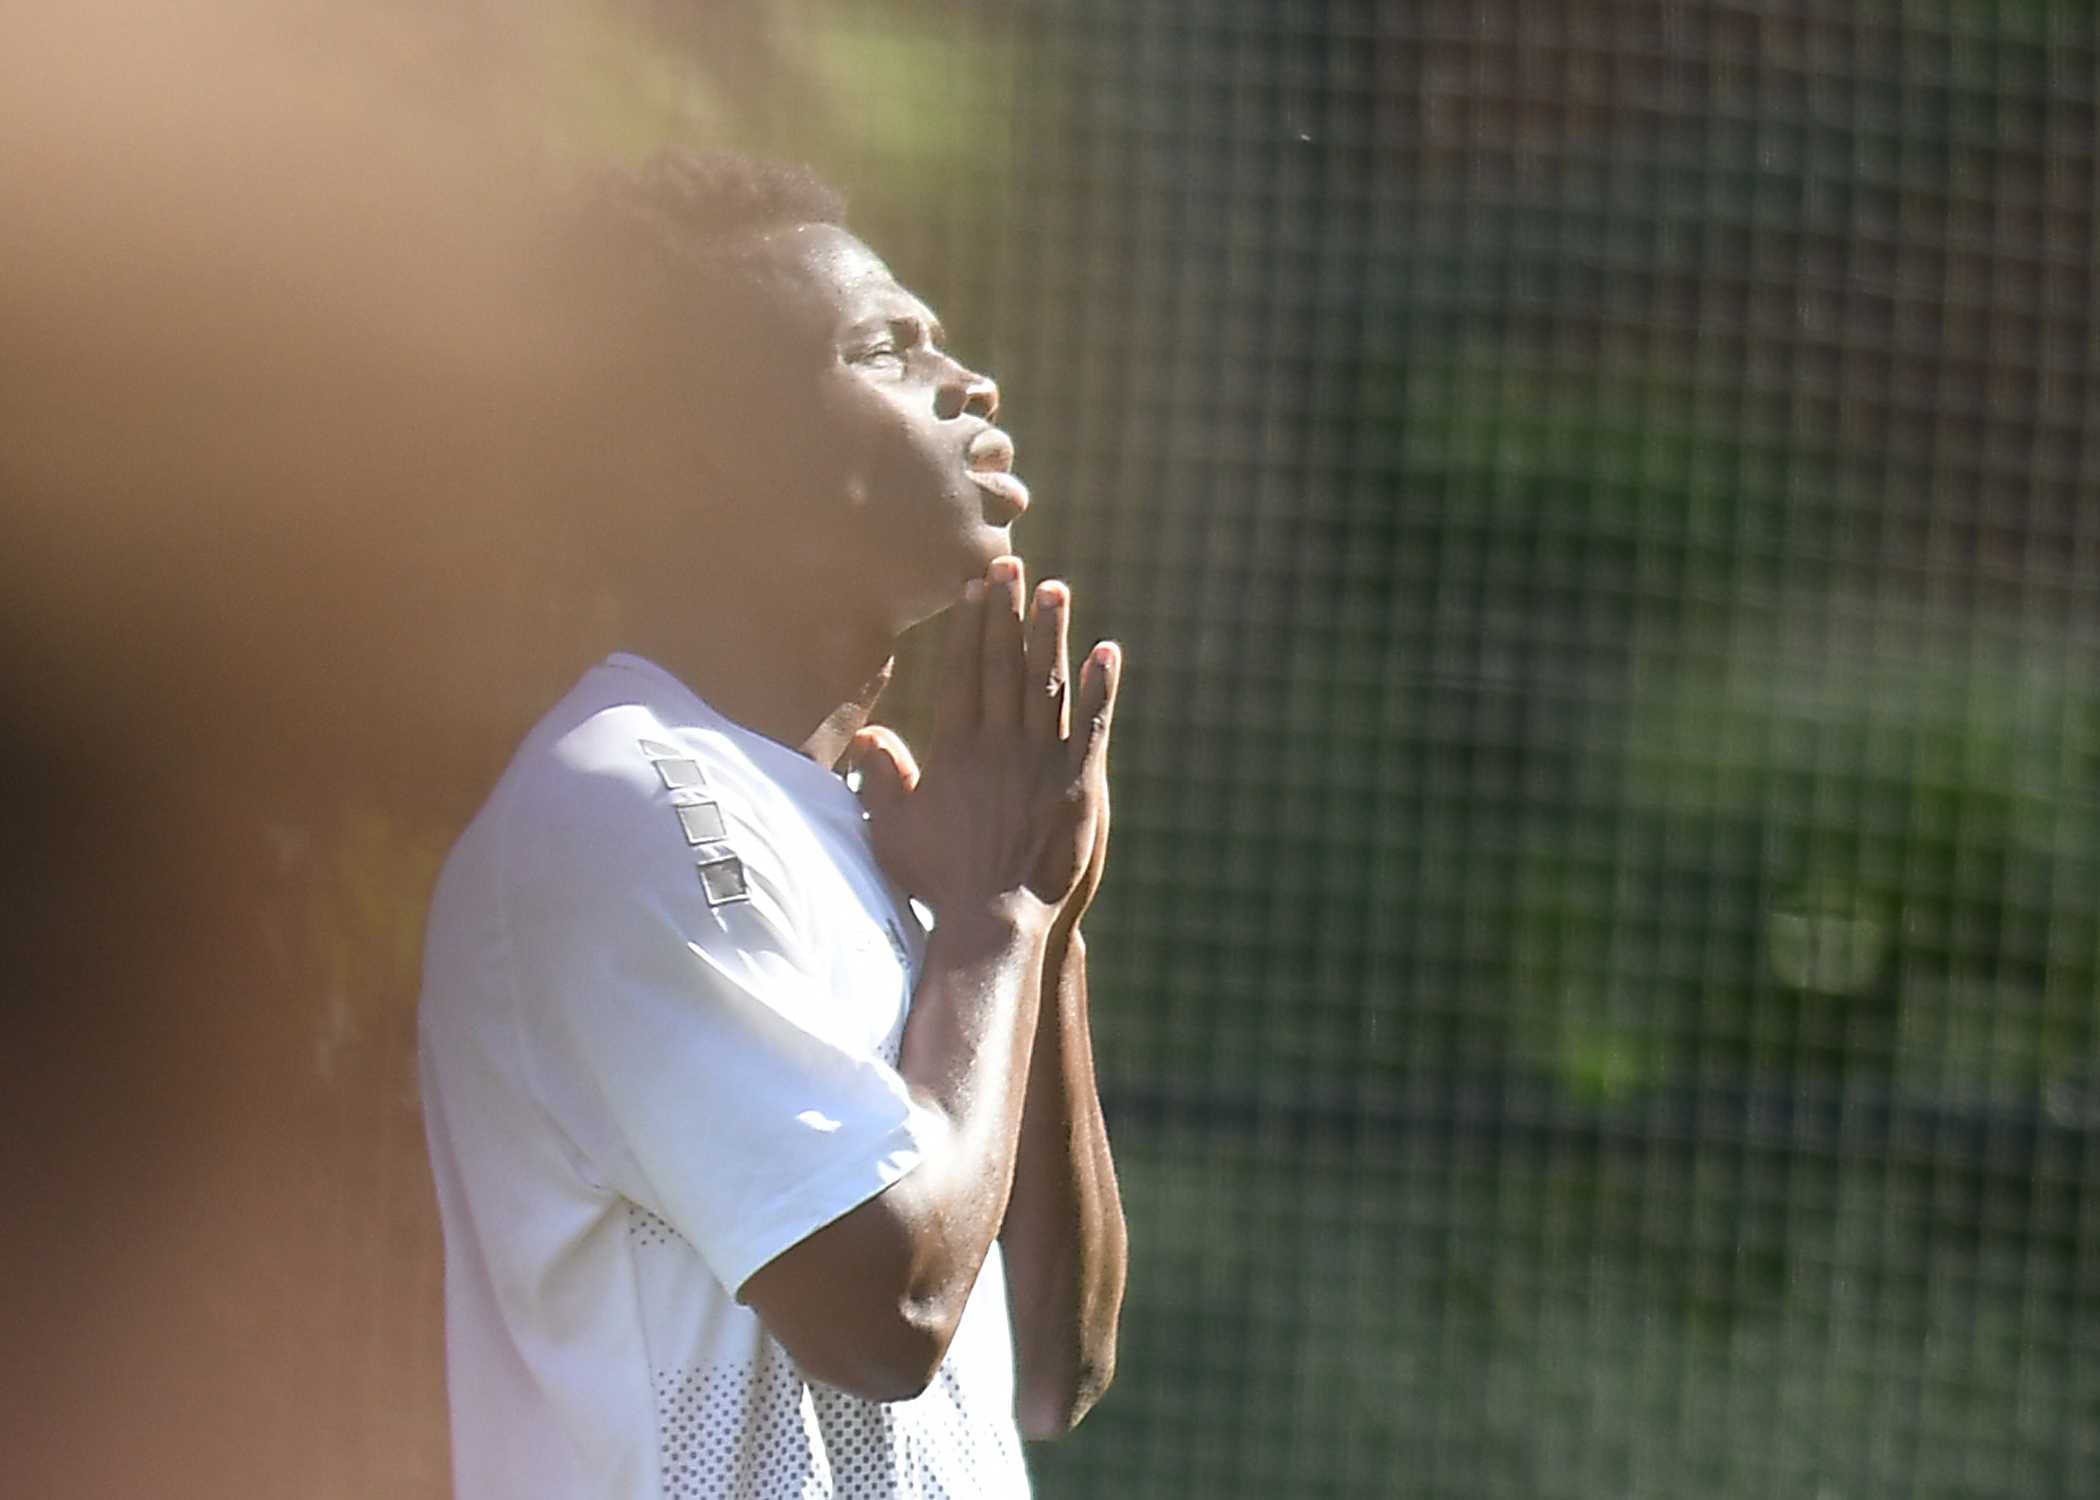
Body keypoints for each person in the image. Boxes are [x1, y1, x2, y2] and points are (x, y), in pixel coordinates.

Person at [417, 149, 1127, 1500]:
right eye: (883, 349)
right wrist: (987, 921)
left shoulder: (885, 835)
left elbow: (1051, 1365)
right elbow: (889, 1314)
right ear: (703, 457)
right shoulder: (619, 807)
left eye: (944, 341)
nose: (967, 380)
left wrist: (1043, 912)